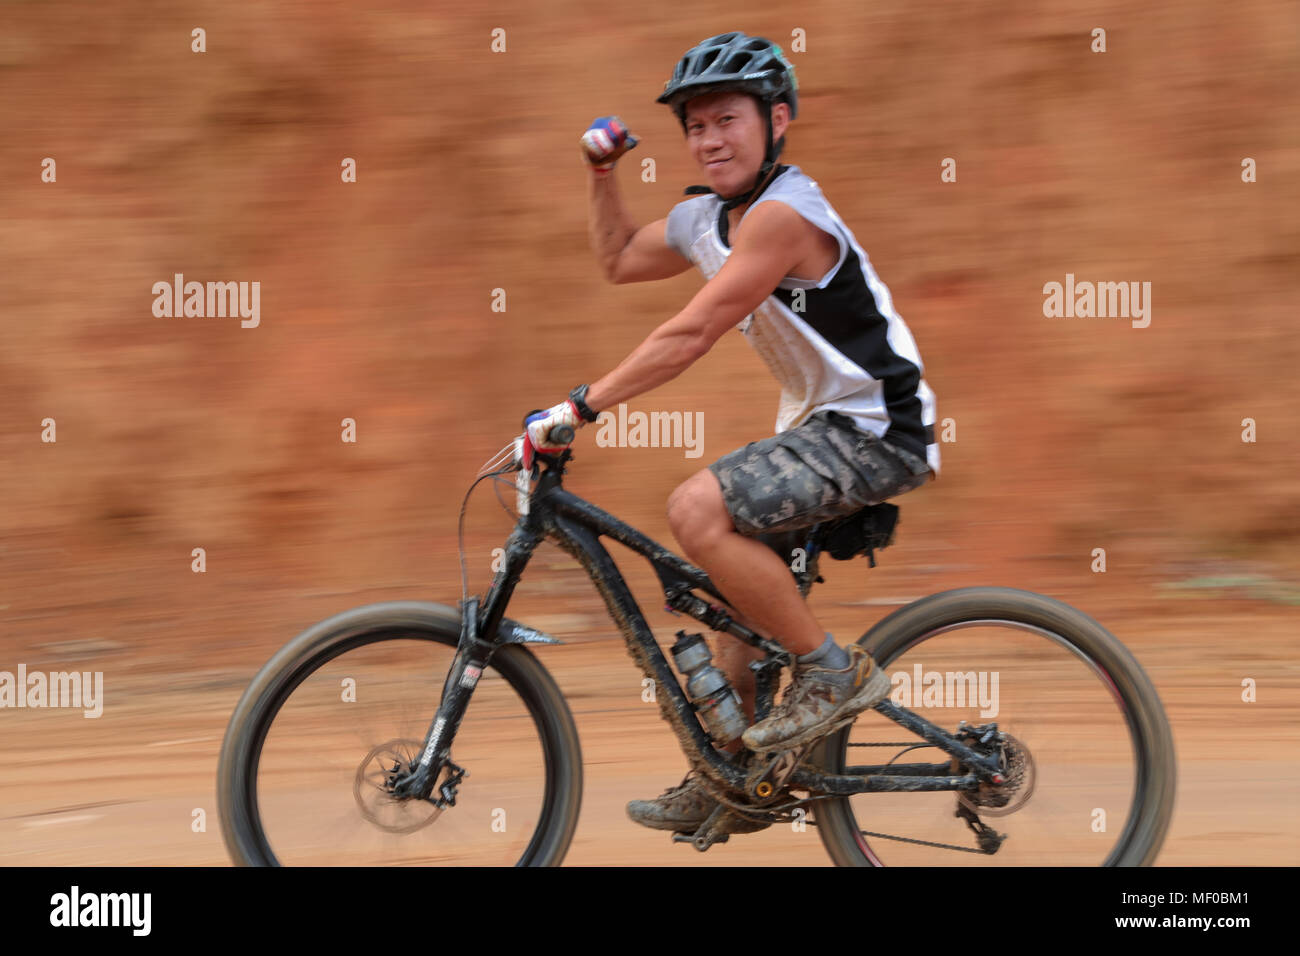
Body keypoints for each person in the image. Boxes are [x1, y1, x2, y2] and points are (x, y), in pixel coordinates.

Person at [524, 31, 940, 835]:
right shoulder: (705, 219)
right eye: (697, 126)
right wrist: (601, 175)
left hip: (877, 428)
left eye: (728, 120)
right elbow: (616, 260)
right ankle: (738, 780)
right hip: (825, 424)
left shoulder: (783, 215)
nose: (711, 139)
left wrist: (577, 408)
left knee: (695, 510)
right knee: (729, 605)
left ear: (776, 119)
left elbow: (694, 330)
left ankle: (831, 675)